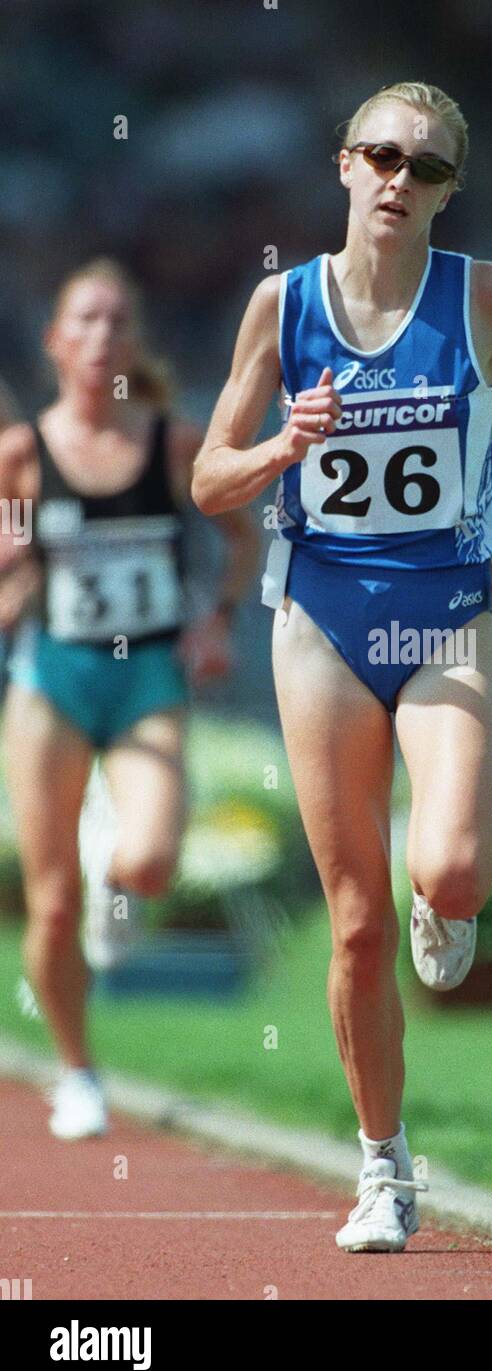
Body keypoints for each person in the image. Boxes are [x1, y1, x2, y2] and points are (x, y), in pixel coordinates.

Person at [192, 82, 492, 1252]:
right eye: (380, 156)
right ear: (342, 165)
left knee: (457, 870)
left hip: (444, 611)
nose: (397, 180)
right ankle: (383, 1167)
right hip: (321, 616)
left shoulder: (486, 295)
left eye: (424, 167)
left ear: (448, 190)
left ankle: (449, 903)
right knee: (358, 925)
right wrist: (284, 443)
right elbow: (209, 479)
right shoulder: (283, 305)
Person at [0, 259, 258, 1139]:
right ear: (56, 341)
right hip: (52, 678)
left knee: (148, 862)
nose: (102, 335)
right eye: (86, 319)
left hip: (148, 676)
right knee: (52, 900)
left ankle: (118, 856)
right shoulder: (21, 456)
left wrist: (217, 620)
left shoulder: (174, 443)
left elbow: (238, 535)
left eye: (118, 321)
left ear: (134, 343)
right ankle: (77, 1073)